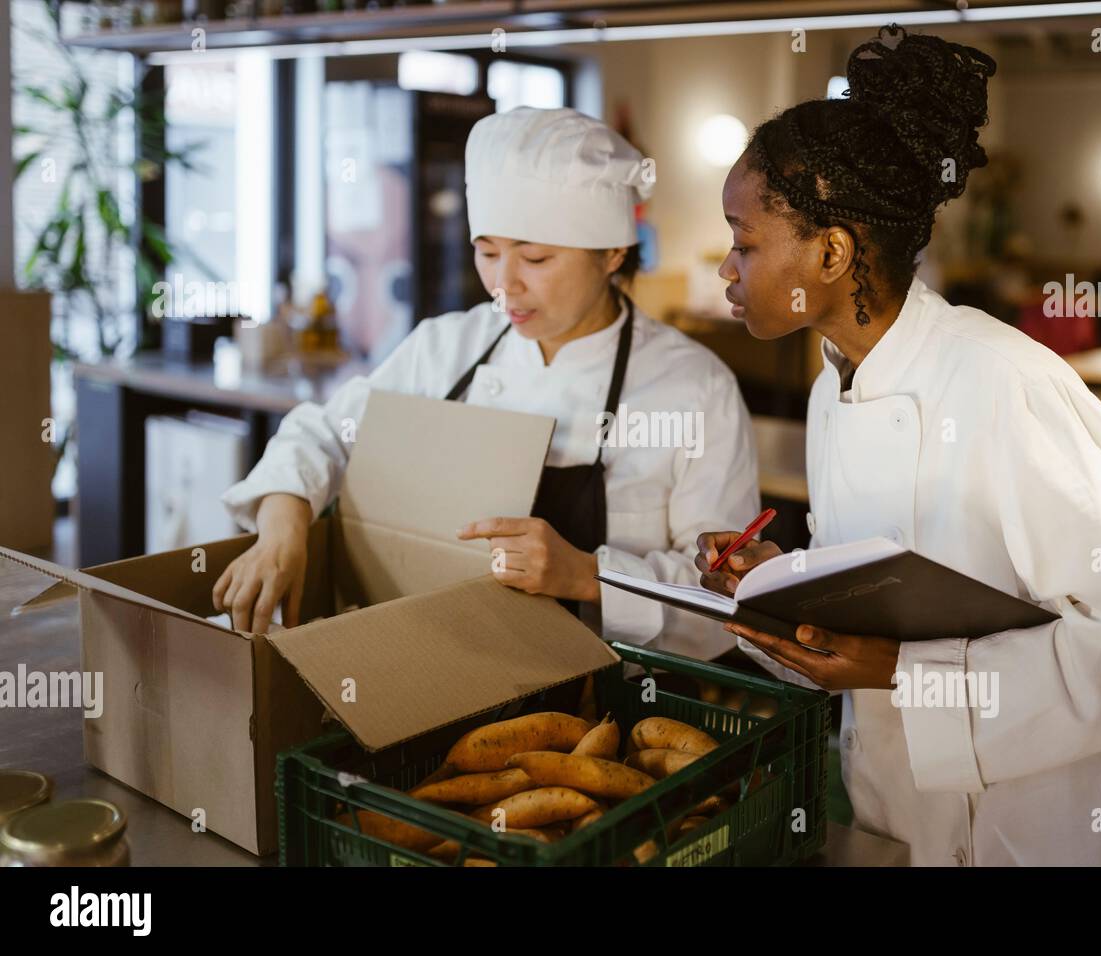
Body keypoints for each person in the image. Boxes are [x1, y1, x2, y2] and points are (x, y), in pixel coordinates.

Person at [696, 26, 1101, 866]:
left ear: (831, 252)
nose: (726, 268)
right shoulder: (837, 386)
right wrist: (784, 592)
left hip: (1049, 832)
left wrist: (906, 673)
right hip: (904, 819)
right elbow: (882, 601)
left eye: (744, 242)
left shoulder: (1008, 385)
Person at [214, 106, 759, 661]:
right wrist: (283, 526)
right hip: (439, 668)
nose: (505, 284)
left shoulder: (694, 387)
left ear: (613, 253)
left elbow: (724, 597)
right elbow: (324, 434)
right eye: (488, 252)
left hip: (614, 705)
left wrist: (588, 577)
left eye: (536, 257)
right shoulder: (444, 347)